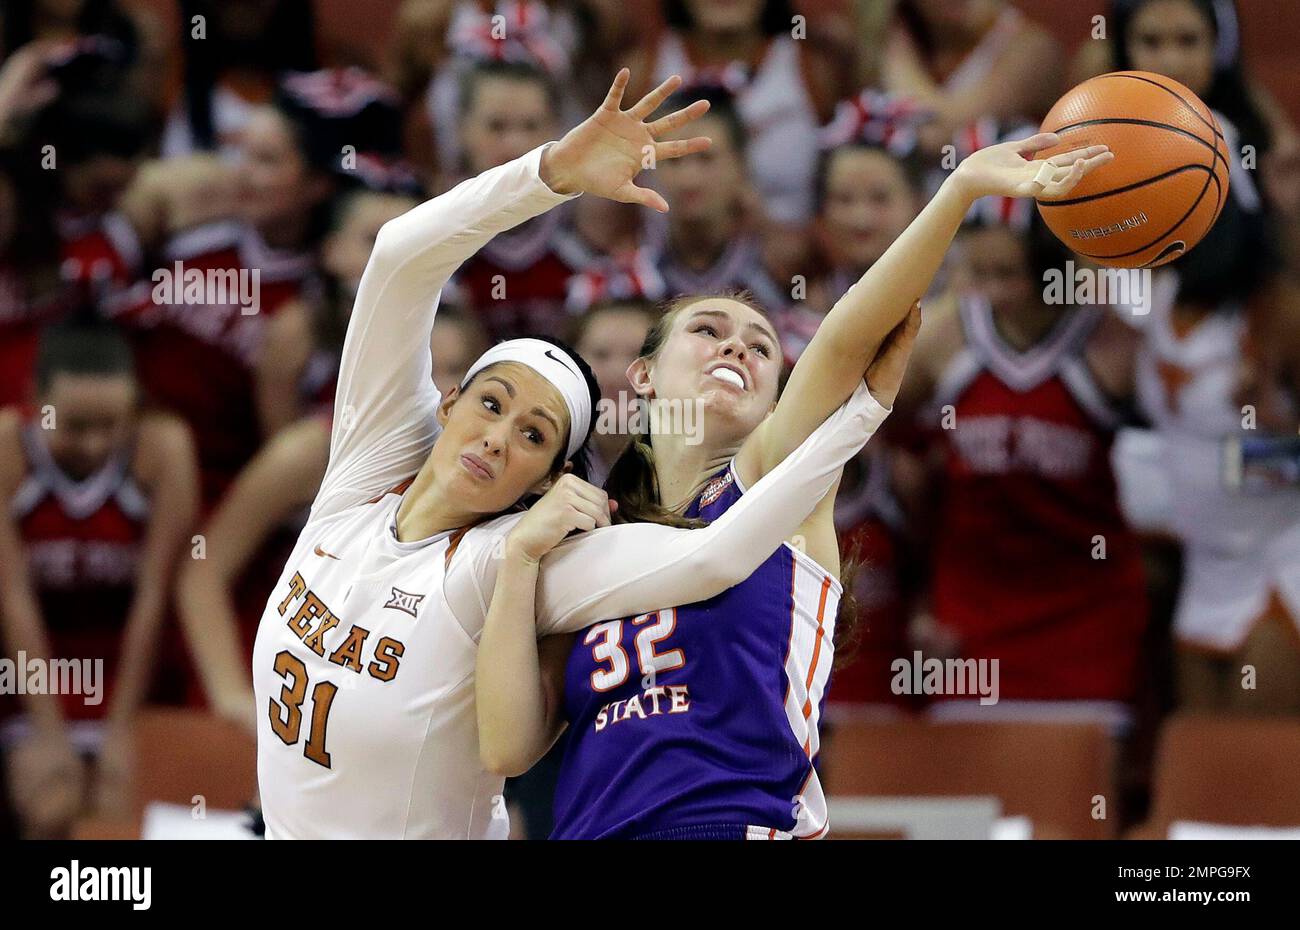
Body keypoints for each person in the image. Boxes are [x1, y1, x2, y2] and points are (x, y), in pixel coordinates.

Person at [251, 71, 901, 840]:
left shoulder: (509, 560)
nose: (498, 436)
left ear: (553, 479)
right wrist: (548, 174)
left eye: (534, 435)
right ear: (449, 402)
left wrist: (855, 416)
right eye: (492, 404)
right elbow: (399, 256)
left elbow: (716, 559)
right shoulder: (361, 481)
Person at [475, 118, 1112, 837]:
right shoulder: (588, 535)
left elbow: (845, 337)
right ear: (644, 375)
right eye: (708, 330)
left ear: (779, 398)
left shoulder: (779, 484)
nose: (736, 348)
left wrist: (959, 190)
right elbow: (507, 744)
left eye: (761, 346)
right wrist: (522, 561)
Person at [892, 216, 1149, 728]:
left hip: (1088, 623)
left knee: (1076, 792)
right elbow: (875, 444)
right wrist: (921, 599)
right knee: (970, 801)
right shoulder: (943, 339)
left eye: (1008, 273)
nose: (989, 290)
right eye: (977, 271)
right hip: (969, 623)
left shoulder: (1116, 344)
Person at [0, 320, 198, 837]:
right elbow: (12, 597)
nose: (94, 444)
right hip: (31, 680)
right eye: (74, 426)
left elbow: (153, 595)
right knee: (52, 806)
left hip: (127, 677)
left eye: (112, 425)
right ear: (33, 400)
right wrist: (48, 731)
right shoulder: (6, 449)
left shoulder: (164, 449)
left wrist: (121, 729)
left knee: (115, 815)